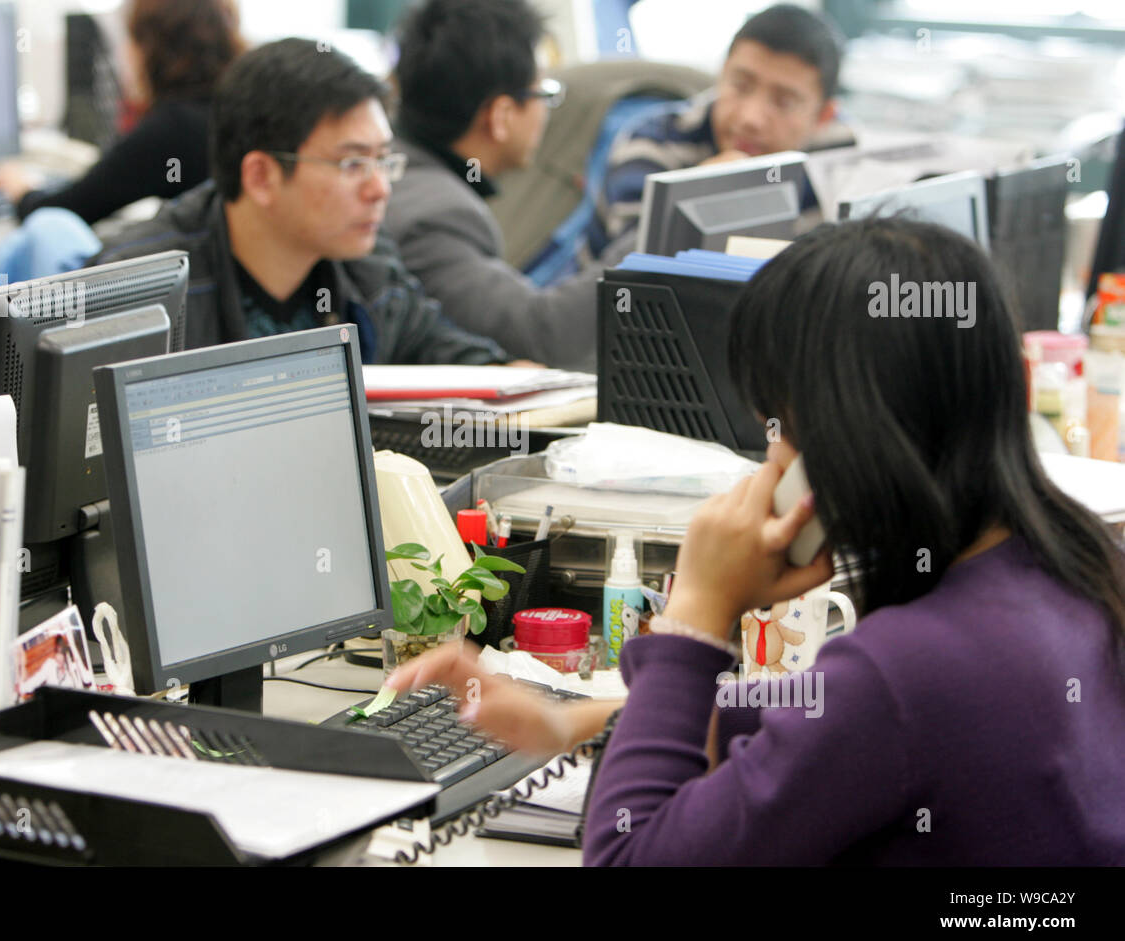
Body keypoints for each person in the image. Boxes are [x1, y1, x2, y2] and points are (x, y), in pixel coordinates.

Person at [387, 217, 1125, 865]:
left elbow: (628, 857)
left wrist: (698, 614)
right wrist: (573, 721)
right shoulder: (1073, 568)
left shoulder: (905, 671)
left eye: (781, 429)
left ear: (848, 435)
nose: (771, 466)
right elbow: (829, 722)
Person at [92, 38, 511, 363]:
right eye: (351, 163)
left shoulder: (366, 268)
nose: (380, 188)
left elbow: (445, 353)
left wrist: (516, 382)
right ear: (260, 176)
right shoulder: (142, 291)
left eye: (383, 160)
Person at [387, 0, 614, 370]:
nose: (546, 111)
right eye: (544, 93)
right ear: (501, 116)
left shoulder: (407, 174)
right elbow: (542, 337)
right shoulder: (435, 215)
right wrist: (657, 237)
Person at [587, 3, 854, 255]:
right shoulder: (654, 142)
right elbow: (629, 273)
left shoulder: (841, 158)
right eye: (740, 85)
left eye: (783, 102)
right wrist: (694, 199)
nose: (751, 118)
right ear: (722, 72)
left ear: (823, 116)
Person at [0, 0, 244, 225]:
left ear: (151, 47)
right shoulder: (238, 104)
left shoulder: (171, 129)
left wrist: (21, 192)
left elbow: (65, 210)